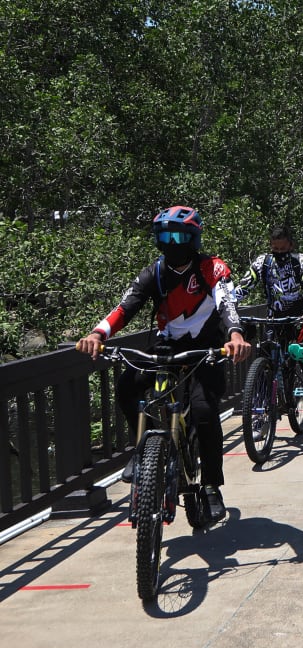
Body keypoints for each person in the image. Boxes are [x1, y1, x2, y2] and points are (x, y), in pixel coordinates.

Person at [75, 205, 251, 521]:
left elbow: (227, 305)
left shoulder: (212, 268)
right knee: (128, 387)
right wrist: (97, 333)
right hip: (166, 345)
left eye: (180, 235)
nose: (173, 243)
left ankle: (211, 485)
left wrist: (235, 335)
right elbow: (124, 308)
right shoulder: (154, 273)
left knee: (204, 410)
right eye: (166, 236)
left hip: (206, 347)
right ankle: (145, 449)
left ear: (193, 239)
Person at [235, 224, 303, 437]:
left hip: (300, 322)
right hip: (274, 321)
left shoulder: (302, 260)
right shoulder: (262, 262)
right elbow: (244, 286)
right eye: (275, 249)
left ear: (290, 245)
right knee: (263, 369)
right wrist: (227, 304)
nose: (279, 253)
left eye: (283, 249)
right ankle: (261, 419)